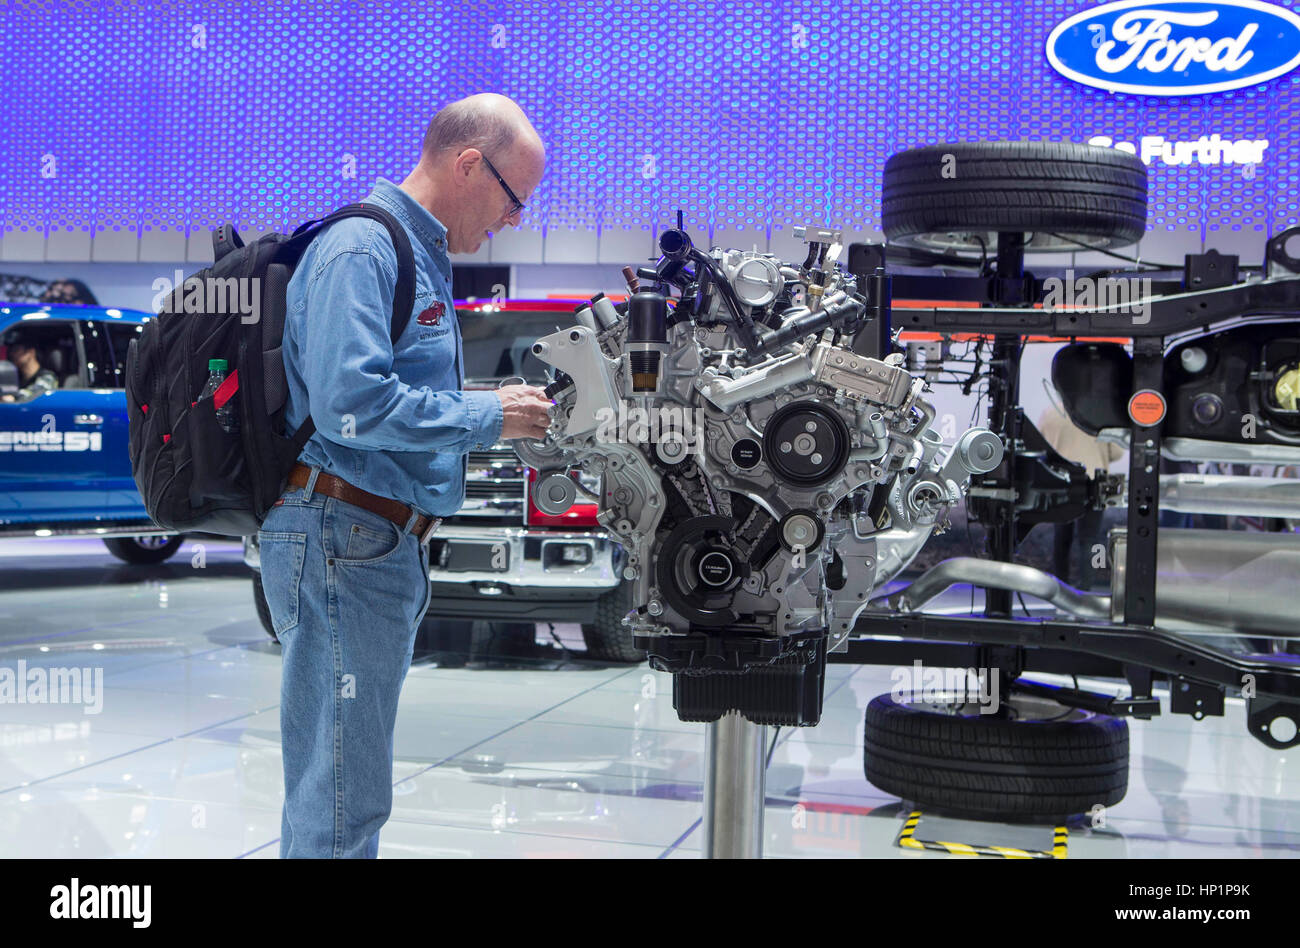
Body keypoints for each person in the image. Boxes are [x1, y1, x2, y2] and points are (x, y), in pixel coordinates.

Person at [258, 93, 552, 858]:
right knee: (342, 800)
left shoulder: (416, 253)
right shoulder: (366, 248)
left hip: (369, 543)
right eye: (514, 197)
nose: (515, 219)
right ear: (468, 164)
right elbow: (350, 406)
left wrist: (487, 406)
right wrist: (487, 417)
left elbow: (389, 396)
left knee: (341, 790)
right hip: (341, 537)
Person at [0, 334, 59, 403]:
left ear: (31, 352)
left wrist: (12, 398)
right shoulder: (18, 378)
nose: (12, 354)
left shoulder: (48, 378)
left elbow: (31, 396)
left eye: (16, 350)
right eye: (11, 351)